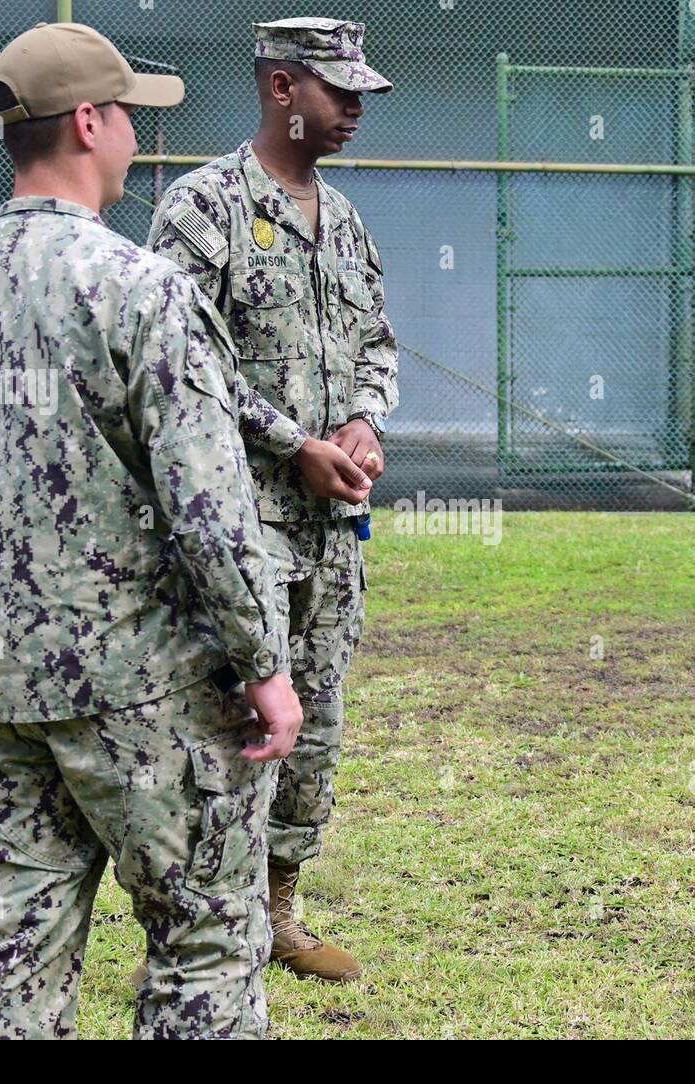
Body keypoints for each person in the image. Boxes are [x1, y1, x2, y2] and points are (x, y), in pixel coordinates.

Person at [0, 21, 308, 1039]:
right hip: (142, 696)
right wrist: (265, 662)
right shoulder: (142, 293)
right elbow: (212, 512)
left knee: (18, 951)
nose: (139, 139)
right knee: (202, 942)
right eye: (132, 116)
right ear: (89, 122)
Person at [148, 16, 398, 983]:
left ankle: (279, 911)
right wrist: (293, 445)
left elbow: (378, 341)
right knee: (220, 727)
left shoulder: (347, 221)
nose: (354, 113)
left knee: (316, 725)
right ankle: (196, 931)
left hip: (334, 530)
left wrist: (366, 422)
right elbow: (184, 365)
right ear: (282, 87)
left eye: (362, 96)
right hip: (237, 527)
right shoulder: (202, 210)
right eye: (340, 93)